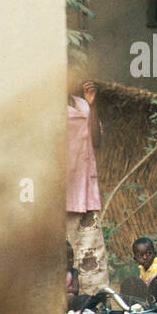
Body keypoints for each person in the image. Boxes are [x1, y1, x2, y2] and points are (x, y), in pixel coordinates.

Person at [67, 79, 106, 294]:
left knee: (91, 253)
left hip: (85, 190)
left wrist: (92, 105)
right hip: (62, 191)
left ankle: (93, 303)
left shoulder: (82, 105)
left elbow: (96, 141)